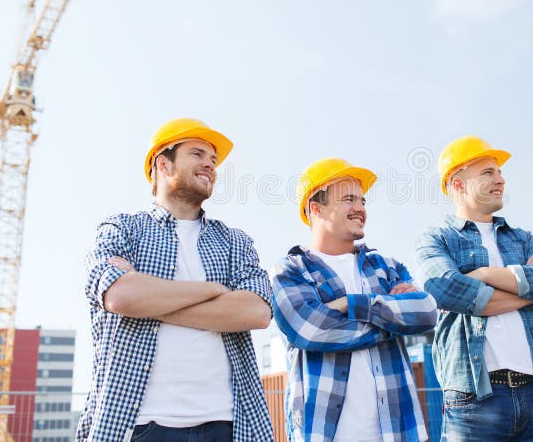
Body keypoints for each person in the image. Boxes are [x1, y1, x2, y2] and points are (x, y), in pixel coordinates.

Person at [77, 118, 274, 442]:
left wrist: (149, 300)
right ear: (163, 165)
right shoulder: (121, 229)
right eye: (198, 154)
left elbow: (256, 313)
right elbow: (120, 297)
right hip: (139, 424)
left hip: (228, 425)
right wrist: (212, 291)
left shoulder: (234, 241)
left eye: (213, 160)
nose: (210, 164)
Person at [416, 136, 533, 442]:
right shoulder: (437, 239)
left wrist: (484, 274)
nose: (500, 179)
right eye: (488, 172)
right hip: (474, 400)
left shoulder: (521, 237)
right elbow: (444, 288)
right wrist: (529, 289)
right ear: (458, 184)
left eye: (499, 173)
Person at [272, 157, 438, 442]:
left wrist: (350, 304)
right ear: (316, 208)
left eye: (363, 201)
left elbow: (426, 312)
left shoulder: (386, 265)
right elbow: (311, 330)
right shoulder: (291, 269)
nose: (360, 208)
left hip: (398, 433)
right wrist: (391, 319)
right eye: (349, 199)